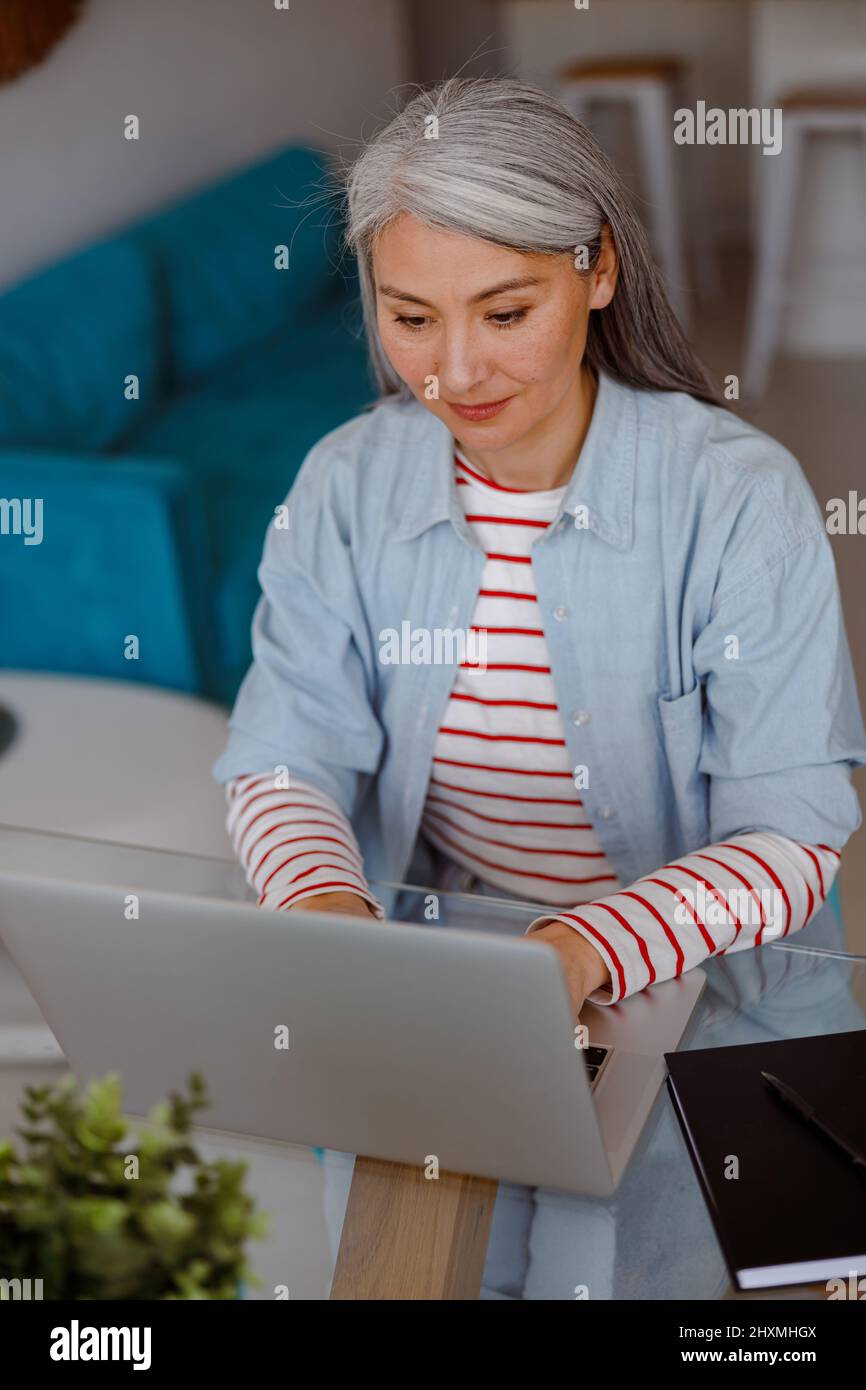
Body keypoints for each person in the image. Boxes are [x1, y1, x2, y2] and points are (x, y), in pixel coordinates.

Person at [212, 76, 866, 1297]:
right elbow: (279, 756)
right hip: (441, 983)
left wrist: (576, 949)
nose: (454, 372)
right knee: (411, 1277)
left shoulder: (738, 497)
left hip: (710, 987)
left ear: (597, 271)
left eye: (504, 310)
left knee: (648, 1279)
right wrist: (326, 920)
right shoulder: (345, 488)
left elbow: (792, 840)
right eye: (409, 317)